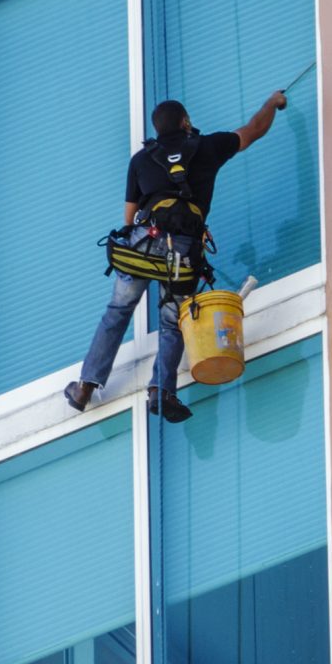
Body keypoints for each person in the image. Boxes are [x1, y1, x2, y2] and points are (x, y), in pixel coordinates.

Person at [66, 90, 287, 421]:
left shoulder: (141, 160)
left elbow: (129, 218)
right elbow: (253, 130)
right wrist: (272, 103)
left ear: (157, 129)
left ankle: (85, 386)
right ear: (185, 122)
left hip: (144, 243)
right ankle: (161, 391)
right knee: (172, 321)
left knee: (118, 311)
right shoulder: (209, 146)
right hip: (183, 250)